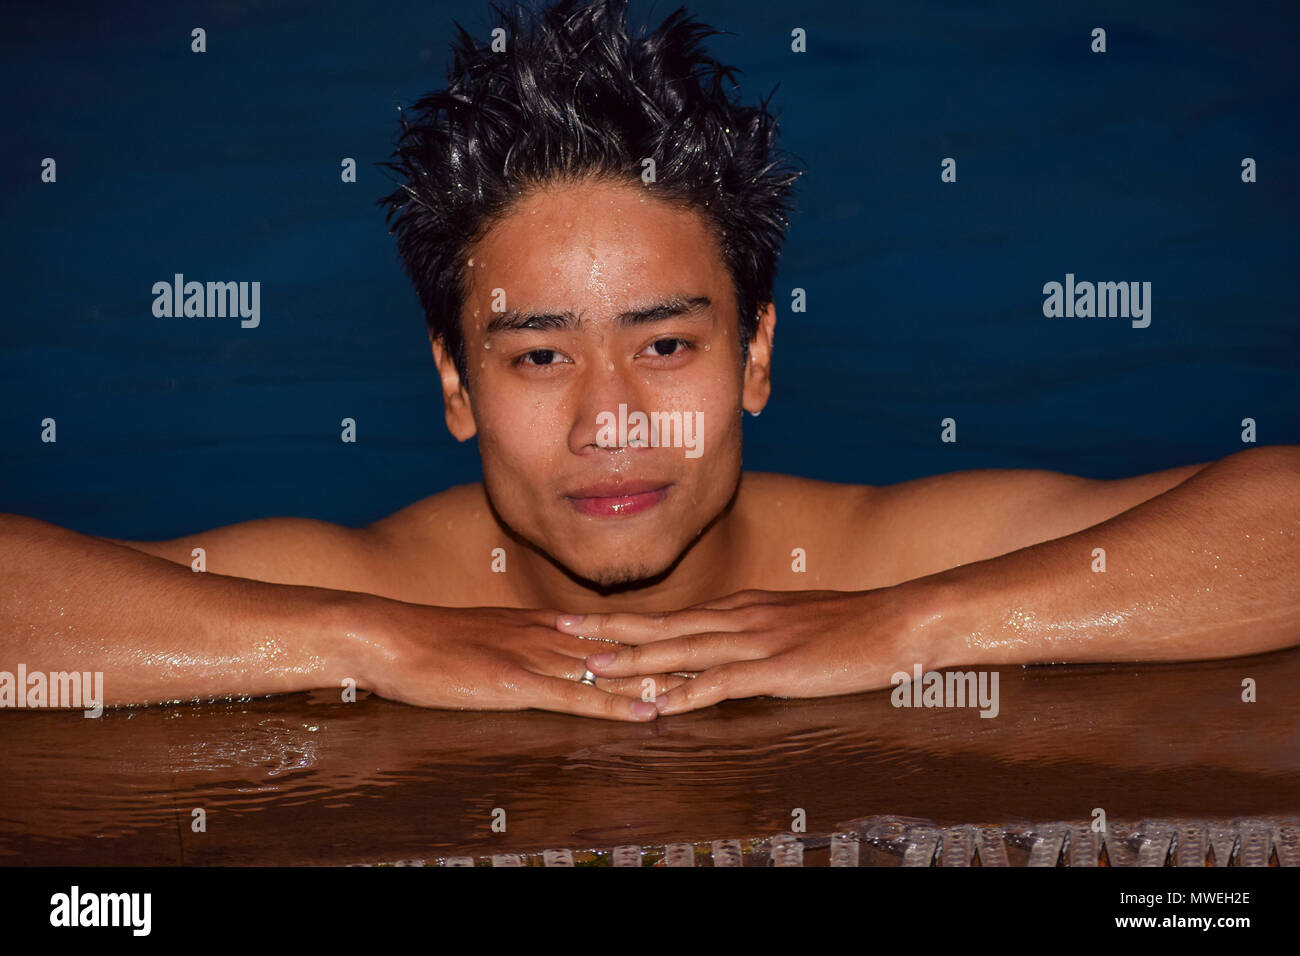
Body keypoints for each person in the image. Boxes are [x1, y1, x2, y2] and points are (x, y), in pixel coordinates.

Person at [3, 0, 1296, 721]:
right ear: (454, 384)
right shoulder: (372, 584)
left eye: (666, 344)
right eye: (537, 359)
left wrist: (915, 625)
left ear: (758, 355)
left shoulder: (897, 560)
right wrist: (370, 643)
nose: (610, 426)